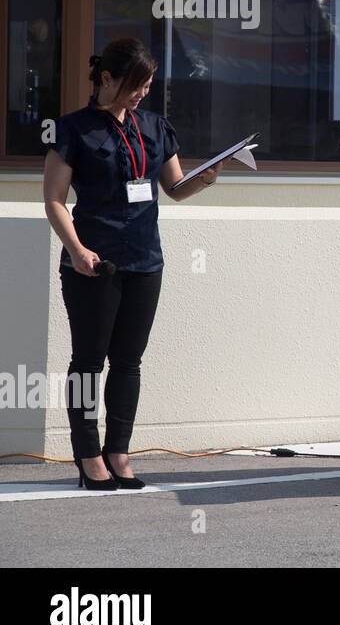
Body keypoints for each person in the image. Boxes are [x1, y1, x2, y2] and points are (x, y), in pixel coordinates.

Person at [43, 38, 225, 491]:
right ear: (106, 78)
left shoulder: (155, 126)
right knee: (88, 361)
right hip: (93, 264)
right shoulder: (74, 129)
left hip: (146, 261)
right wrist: (78, 250)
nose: (143, 93)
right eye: (135, 84)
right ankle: (88, 457)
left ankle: (118, 453)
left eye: (147, 85)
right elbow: (53, 200)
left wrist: (203, 180)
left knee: (129, 362)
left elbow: (174, 188)